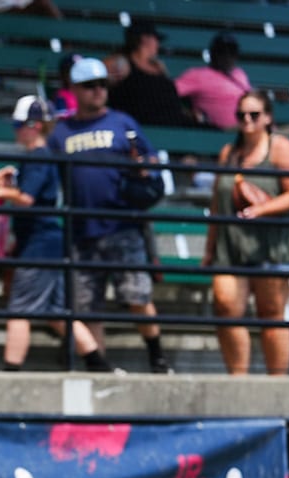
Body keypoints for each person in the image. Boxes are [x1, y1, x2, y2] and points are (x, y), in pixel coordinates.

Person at [47, 56, 173, 374]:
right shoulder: (61, 133)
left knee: (138, 297)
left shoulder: (123, 122)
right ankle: (98, 370)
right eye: (90, 86)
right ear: (74, 89)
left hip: (123, 224)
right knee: (87, 308)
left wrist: (144, 168)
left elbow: (152, 163)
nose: (98, 91)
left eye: (103, 84)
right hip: (82, 230)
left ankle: (157, 358)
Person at [0, 96, 118, 373]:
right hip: (45, 240)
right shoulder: (38, 157)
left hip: (40, 241)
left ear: (34, 126)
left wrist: (3, 192)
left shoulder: (39, 156)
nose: (15, 130)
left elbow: (27, 199)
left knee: (20, 309)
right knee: (58, 312)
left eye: (19, 125)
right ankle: (98, 364)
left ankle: (9, 374)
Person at [205, 91, 289, 375]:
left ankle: (276, 387)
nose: (247, 120)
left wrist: (263, 209)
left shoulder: (279, 148)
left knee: (270, 315)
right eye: (241, 115)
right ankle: (238, 383)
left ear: (268, 118)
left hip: (269, 245)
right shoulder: (228, 153)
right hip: (230, 246)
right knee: (225, 308)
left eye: (254, 115)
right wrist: (210, 248)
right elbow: (216, 202)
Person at [104, 19, 198, 128]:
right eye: (156, 39)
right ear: (145, 38)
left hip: (174, 123)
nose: (157, 44)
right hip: (144, 125)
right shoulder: (122, 62)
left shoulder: (159, 67)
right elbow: (101, 78)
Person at [175, 32, 251, 131]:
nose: (227, 56)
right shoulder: (197, 75)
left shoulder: (240, 74)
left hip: (246, 130)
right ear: (212, 54)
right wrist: (187, 113)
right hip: (217, 133)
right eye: (222, 52)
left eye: (232, 52)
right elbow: (167, 94)